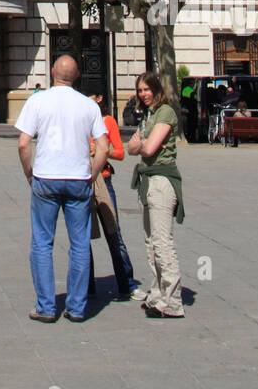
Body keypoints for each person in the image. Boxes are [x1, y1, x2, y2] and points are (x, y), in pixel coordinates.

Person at [15, 55, 108, 323]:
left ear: (52, 71)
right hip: (78, 179)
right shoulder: (88, 105)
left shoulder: (37, 100)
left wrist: (28, 173)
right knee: (79, 244)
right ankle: (77, 308)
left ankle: (46, 306)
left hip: (46, 177)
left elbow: (23, 143)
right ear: (77, 75)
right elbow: (102, 146)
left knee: (42, 242)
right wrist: (92, 174)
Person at [127, 72, 185, 318]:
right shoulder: (148, 115)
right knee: (151, 243)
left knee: (162, 243)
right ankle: (158, 293)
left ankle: (173, 302)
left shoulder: (165, 112)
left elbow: (147, 147)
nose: (143, 94)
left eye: (146, 90)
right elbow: (131, 147)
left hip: (162, 181)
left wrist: (143, 144)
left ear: (156, 89)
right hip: (148, 181)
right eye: (140, 91)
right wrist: (141, 144)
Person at [87, 91, 140, 300]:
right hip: (83, 180)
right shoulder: (80, 121)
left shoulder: (108, 121)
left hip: (104, 179)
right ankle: (87, 286)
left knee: (113, 231)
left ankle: (126, 283)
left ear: (99, 99)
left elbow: (120, 152)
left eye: (90, 98)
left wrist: (102, 150)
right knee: (83, 238)